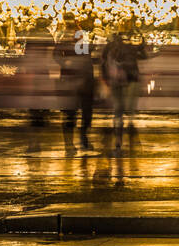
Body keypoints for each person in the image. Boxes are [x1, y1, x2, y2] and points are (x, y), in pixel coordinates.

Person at [102, 31, 148, 152]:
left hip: (117, 81)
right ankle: (128, 127)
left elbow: (103, 62)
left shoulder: (110, 47)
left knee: (118, 108)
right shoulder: (131, 48)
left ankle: (118, 138)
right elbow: (144, 56)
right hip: (131, 80)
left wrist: (106, 78)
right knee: (127, 107)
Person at [55, 22, 95, 152]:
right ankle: (79, 141)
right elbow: (85, 56)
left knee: (73, 113)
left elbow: (57, 54)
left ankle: (72, 143)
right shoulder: (73, 38)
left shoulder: (69, 38)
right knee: (80, 113)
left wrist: (65, 62)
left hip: (75, 78)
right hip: (78, 78)